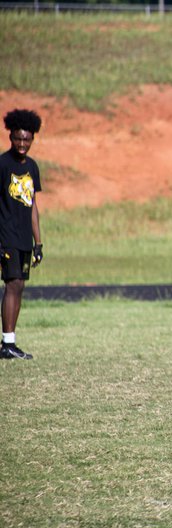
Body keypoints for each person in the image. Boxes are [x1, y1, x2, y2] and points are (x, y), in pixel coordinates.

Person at [0, 109, 44, 360]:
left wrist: (38, 243)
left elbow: (32, 206)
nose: (22, 144)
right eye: (18, 138)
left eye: (26, 139)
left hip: (24, 236)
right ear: (10, 137)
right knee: (13, 284)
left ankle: (10, 342)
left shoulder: (32, 167)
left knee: (20, 286)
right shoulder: (2, 164)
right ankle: (7, 343)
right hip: (7, 235)